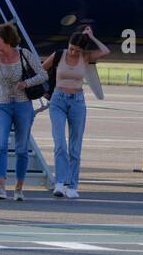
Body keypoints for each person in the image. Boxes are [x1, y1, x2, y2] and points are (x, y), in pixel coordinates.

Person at [43, 26, 109, 199]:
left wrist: (92, 37)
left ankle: (72, 185)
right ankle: (59, 183)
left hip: (77, 103)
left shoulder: (85, 58)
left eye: (77, 50)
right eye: (71, 47)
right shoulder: (59, 55)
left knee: (75, 147)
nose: (73, 52)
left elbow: (105, 50)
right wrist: (40, 90)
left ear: (82, 50)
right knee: (60, 144)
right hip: (58, 100)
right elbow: (42, 70)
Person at [0, 23, 46, 201]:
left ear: (8, 39)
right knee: (1, 145)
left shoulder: (24, 54)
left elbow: (43, 75)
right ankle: (1, 186)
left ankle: (19, 188)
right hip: (1, 106)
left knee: (21, 149)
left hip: (22, 105)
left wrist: (26, 83)